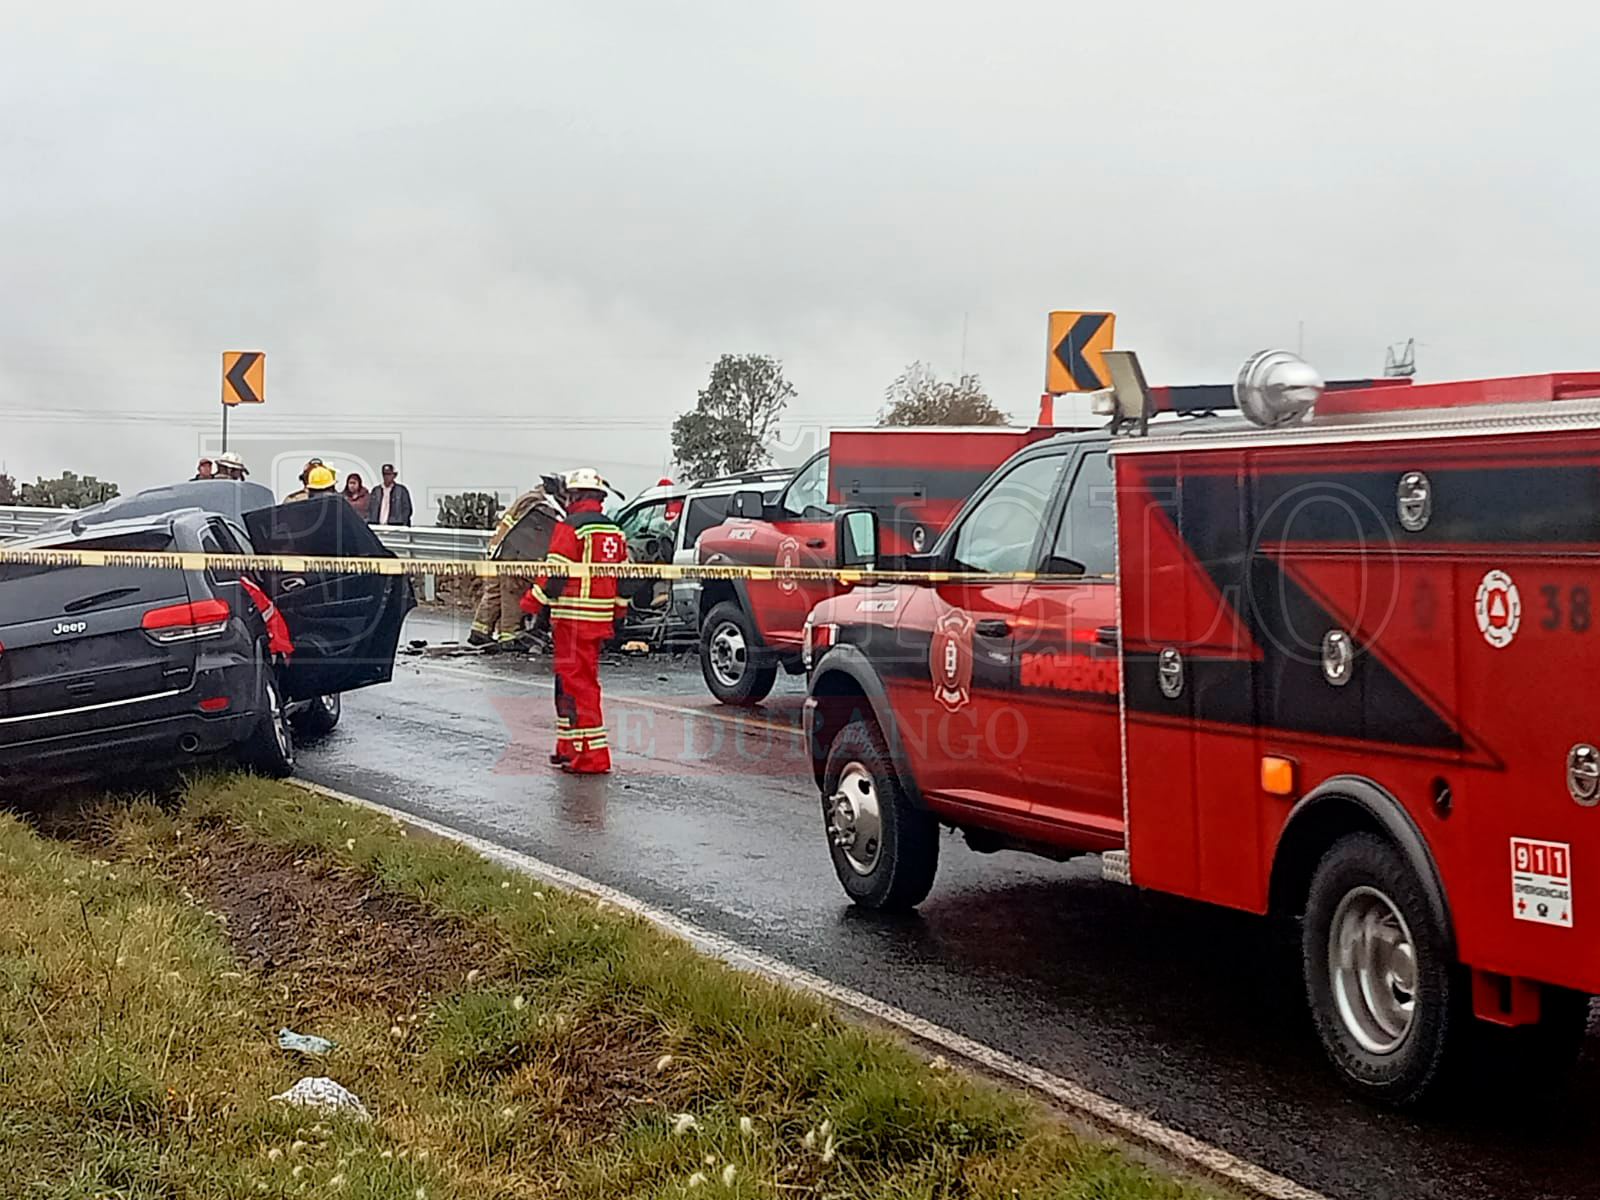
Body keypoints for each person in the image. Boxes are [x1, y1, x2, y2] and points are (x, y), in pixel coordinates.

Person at [520, 468, 629, 774]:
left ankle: (592, 758)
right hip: (598, 619)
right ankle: (567, 746)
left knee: (578, 686)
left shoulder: (571, 527)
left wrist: (531, 604)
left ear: (575, 496)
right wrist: (618, 612)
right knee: (567, 685)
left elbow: (555, 575)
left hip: (573, 619)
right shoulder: (614, 531)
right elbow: (625, 579)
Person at [469, 480, 566, 648]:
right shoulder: (538, 505)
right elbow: (533, 534)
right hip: (513, 556)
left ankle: (480, 630)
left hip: (498, 551)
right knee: (513, 594)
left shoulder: (528, 498)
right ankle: (509, 635)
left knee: (495, 592)